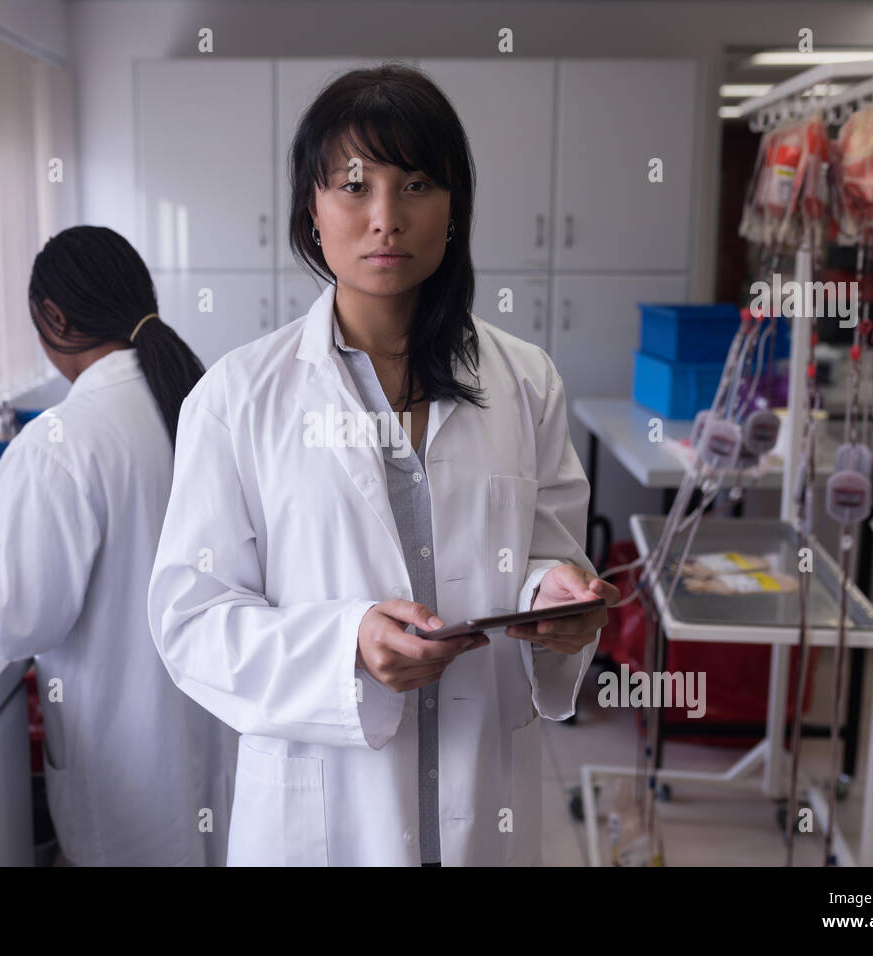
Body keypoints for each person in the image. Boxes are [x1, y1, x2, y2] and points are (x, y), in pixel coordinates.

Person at [147, 65, 619, 866]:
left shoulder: (525, 380)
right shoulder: (237, 398)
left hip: (484, 796)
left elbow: (544, 554)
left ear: (452, 208)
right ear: (313, 207)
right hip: (326, 815)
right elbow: (192, 622)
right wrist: (347, 647)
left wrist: (557, 601)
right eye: (355, 186)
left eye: (418, 184)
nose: (385, 218)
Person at [0, 226, 237, 866]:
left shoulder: (58, 442)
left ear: (55, 318)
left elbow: (12, 620)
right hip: (220, 759)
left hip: (130, 784)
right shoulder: (201, 403)